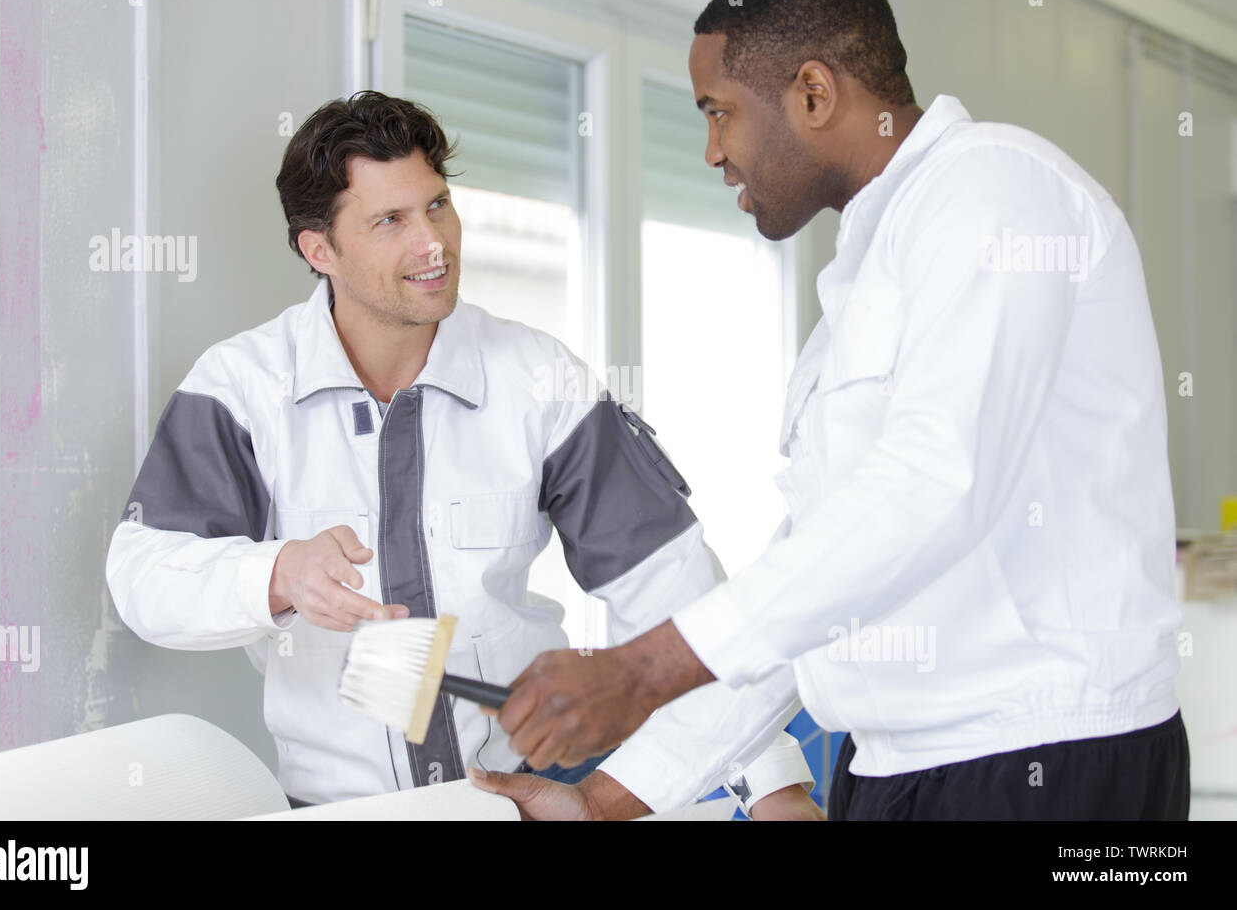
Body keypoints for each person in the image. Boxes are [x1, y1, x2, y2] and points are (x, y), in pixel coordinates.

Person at [470, 0, 1190, 820]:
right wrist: (604, 801)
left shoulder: (996, 191)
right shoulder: (869, 277)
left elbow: (934, 483)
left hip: (1045, 768)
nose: (710, 152)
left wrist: (646, 665)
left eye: (718, 113)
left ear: (813, 93)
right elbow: (820, 578)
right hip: (894, 772)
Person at [105, 90, 819, 817]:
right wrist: (278, 573)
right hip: (337, 810)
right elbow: (141, 580)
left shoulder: (541, 382)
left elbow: (678, 596)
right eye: (391, 221)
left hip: (519, 800)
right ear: (319, 250)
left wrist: (773, 781)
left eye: (438, 205)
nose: (434, 242)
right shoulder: (241, 387)